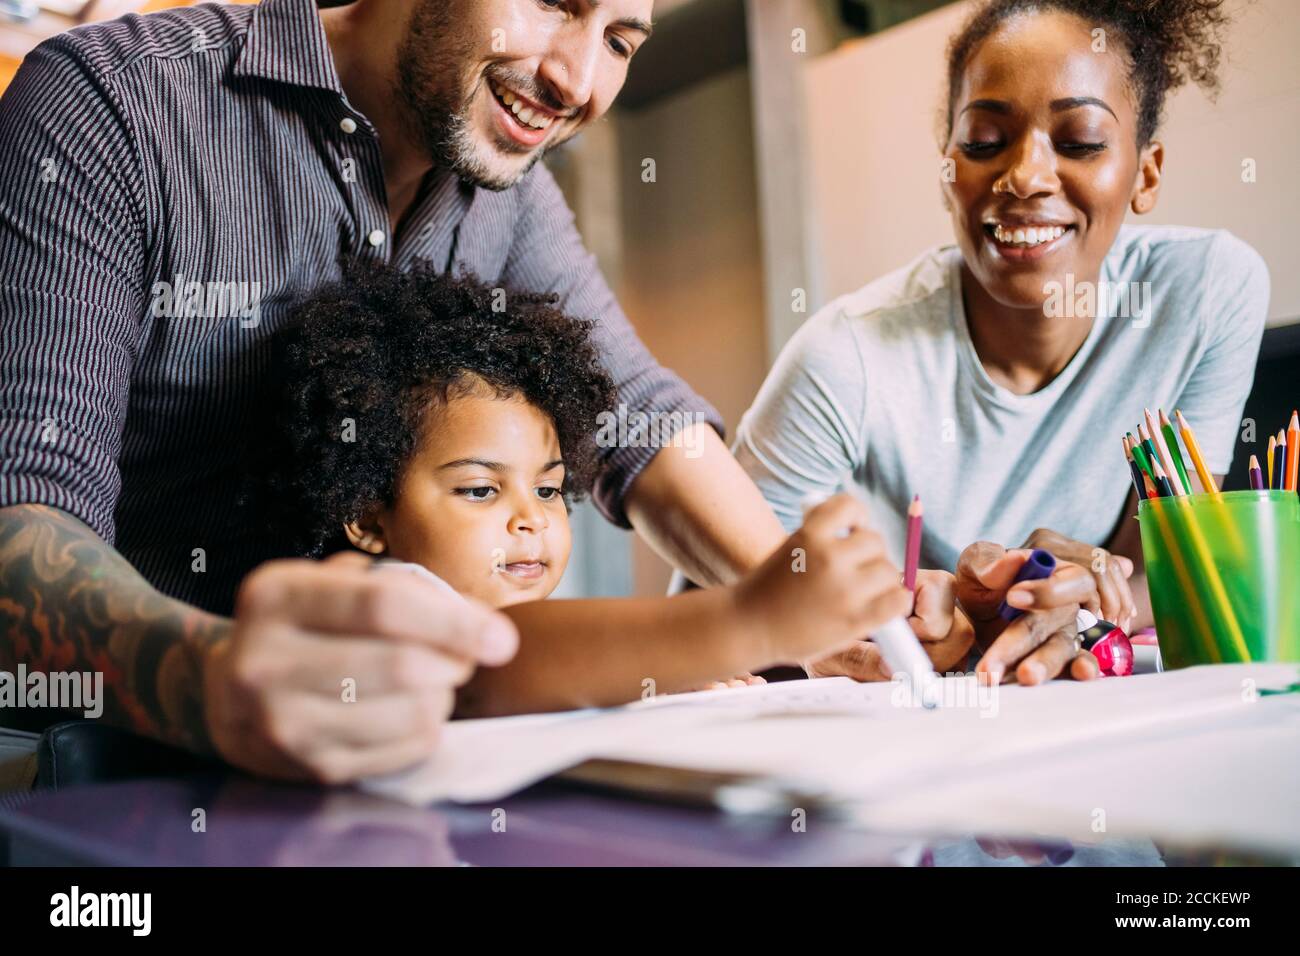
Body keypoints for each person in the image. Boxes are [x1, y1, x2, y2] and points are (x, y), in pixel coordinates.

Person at [0, 0, 794, 784]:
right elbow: (24, 515)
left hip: (350, 783)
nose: (577, 79)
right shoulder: (114, 100)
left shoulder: (506, 187)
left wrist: (814, 612)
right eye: (554, 3)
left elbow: (641, 419)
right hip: (76, 761)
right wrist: (212, 676)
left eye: (619, 42)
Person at [732, 0, 1268, 686]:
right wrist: (849, 636)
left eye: (1078, 140)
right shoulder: (845, 357)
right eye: (986, 141)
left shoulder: (1207, 294)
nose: (1025, 177)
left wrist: (1087, 606)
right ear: (948, 169)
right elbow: (716, 607)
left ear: (1147, 173)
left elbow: (1159, 574)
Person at [251, 262, 975, 716]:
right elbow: (491, 666)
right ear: (366, 516)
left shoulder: (520, 605)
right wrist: (739, 625)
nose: (528, 522)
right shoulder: (387, 598)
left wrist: (645, 675)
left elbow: (546, 666)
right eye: (479, 492)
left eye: (548, 491)